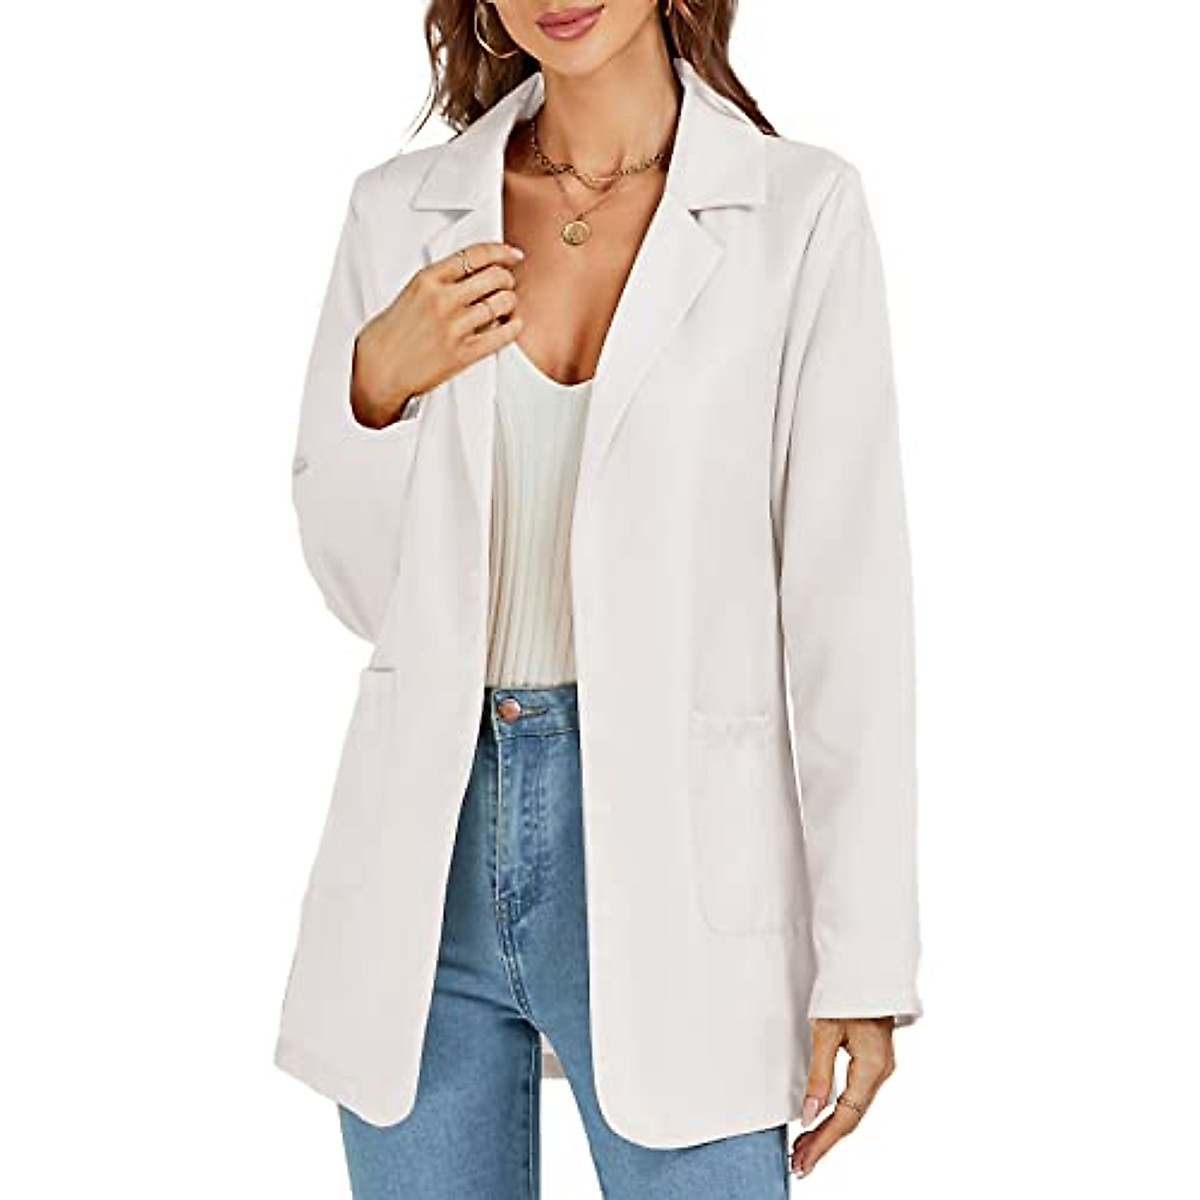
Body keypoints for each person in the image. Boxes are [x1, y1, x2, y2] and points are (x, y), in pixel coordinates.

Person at [274, 2, 924, 1195]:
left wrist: (865, 960)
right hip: (424, 869)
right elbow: (364, 592)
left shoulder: (798, 213)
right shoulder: (399, 211)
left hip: (684, 866)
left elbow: (850, 611)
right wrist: (378, 387)